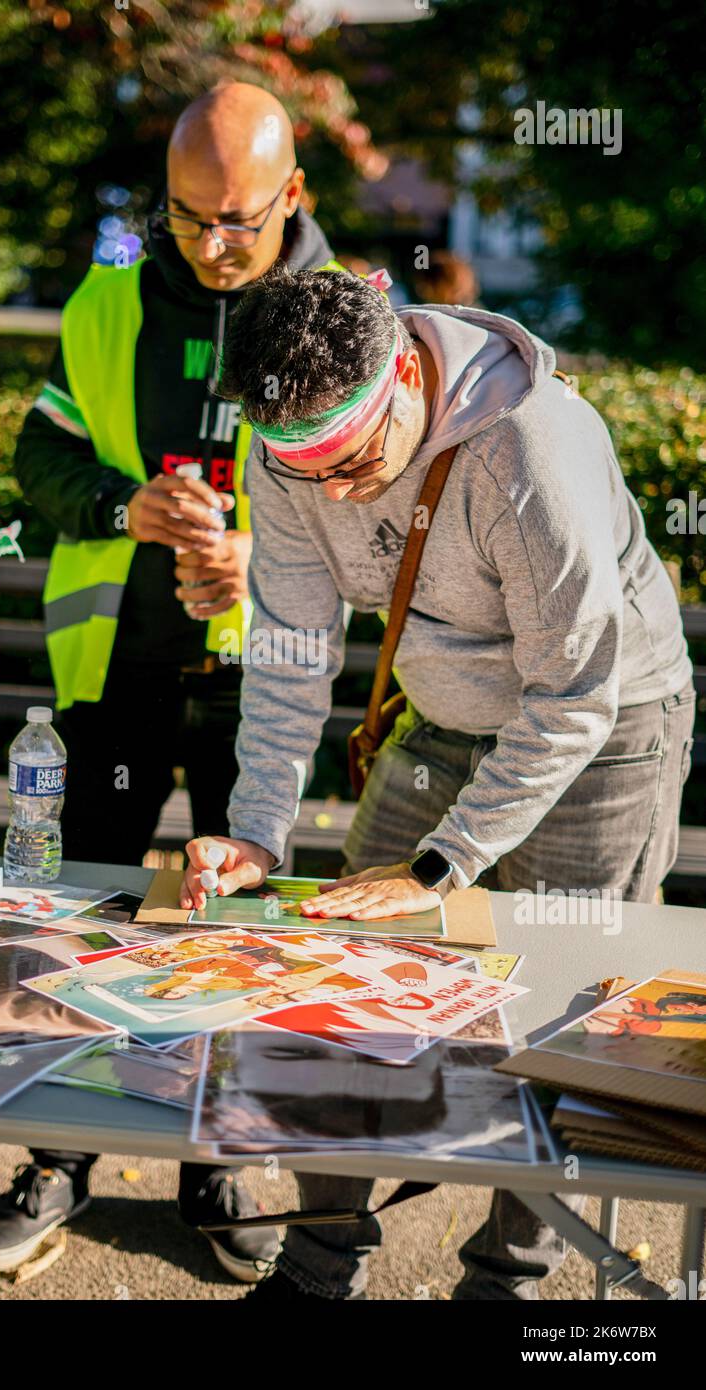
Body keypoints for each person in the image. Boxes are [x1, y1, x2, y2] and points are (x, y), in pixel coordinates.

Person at [179, 263, 695, 1300]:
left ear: (404, 377)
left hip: (604, 731)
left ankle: (503, 1280)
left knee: (564, 1020)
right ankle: (320, 1258)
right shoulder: (289, 446)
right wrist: (258, 832)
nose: (326, 489)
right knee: (346, 988)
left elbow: (572, 697)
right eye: (297, 466)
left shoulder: (529, 451)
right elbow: (288, 646)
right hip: (443, 717)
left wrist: (440, 866)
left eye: (350, 459)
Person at [0, 81, 342, 1284]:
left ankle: (215, 1160)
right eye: (186, 219)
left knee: (235, 926)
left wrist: (261, 555)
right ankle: (58, 1154)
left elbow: (388, 509)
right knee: (92, 915)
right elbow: (40, 452)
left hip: (261, 689)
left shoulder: (349, 316)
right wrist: (120, 506)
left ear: (294, 196)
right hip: (114, 673)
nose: (213, 246)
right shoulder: (108, 300)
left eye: (239, 219)